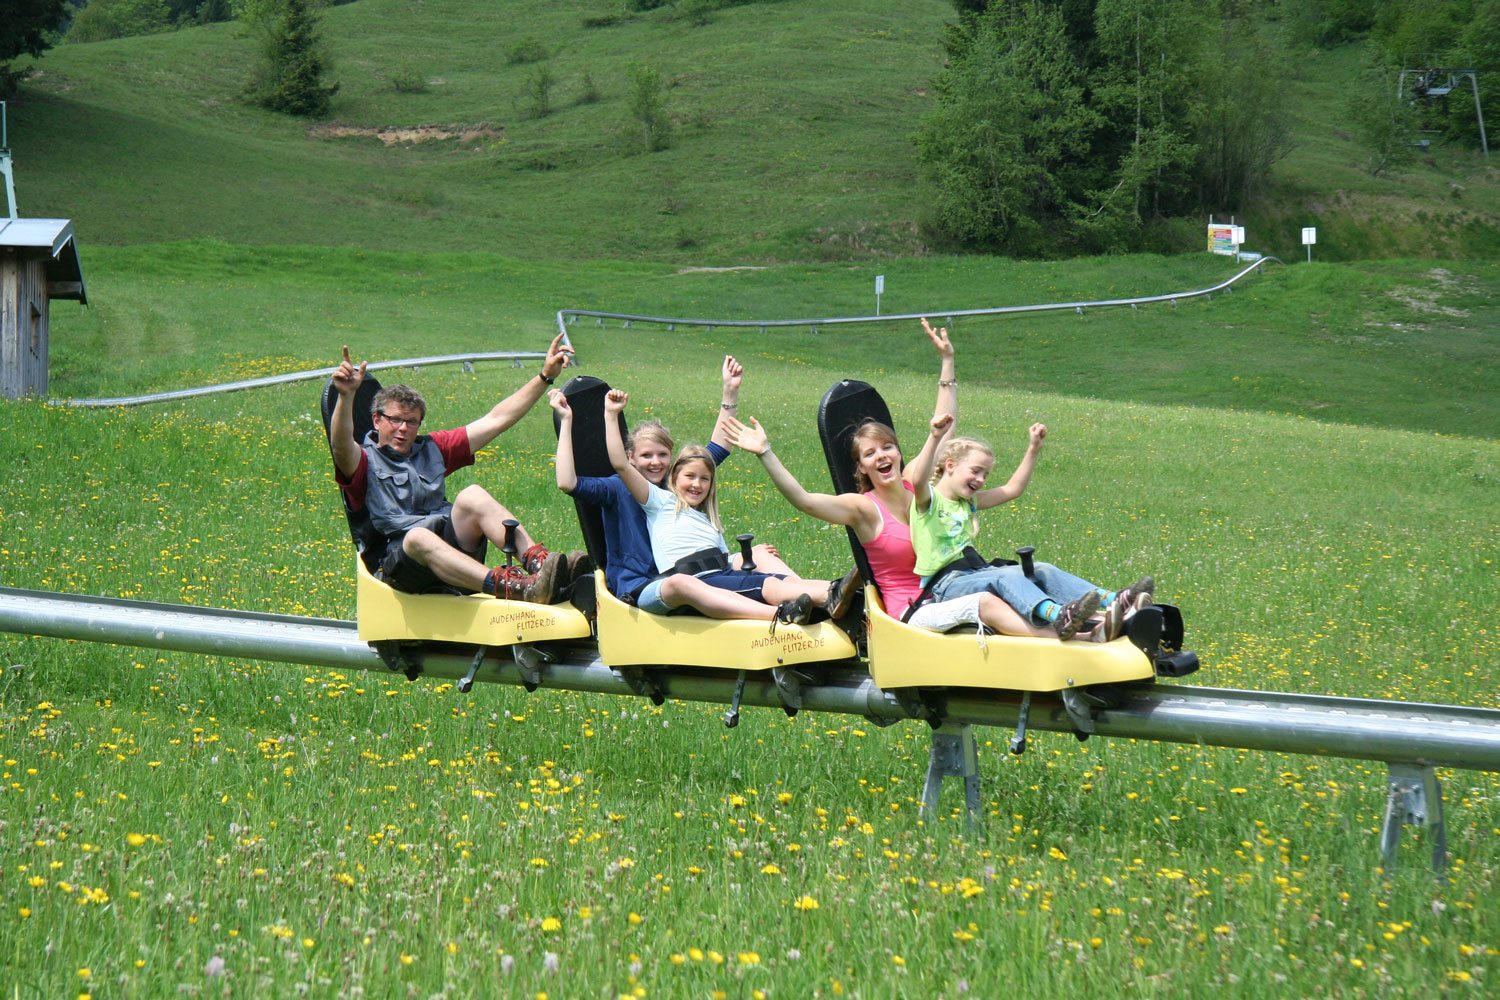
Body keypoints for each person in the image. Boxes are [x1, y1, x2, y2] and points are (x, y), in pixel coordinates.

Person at [725, 318, 1070, 643]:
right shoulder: (863, 509)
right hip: (911, 612)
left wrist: (947, 361)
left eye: (888, 447)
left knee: (1032, 573)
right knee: (987, 601)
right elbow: (804, 500)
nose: (882, 456)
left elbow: (945, 425)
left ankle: (1105, 613)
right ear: (861, 467)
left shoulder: (914, 483)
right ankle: (1070, 639)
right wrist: (765, 452)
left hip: (951, 587)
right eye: (871, 454)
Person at [550, 356, 812, 620]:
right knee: (687, 582)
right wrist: (567, 422)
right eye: (646, 456)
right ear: (631, 457)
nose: (655, 462)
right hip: (642, 583)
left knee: (759, 553)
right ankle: (779, 614)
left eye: (662, 455)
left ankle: (808, 600)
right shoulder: (617, 488)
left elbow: (717, 448)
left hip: (685, 571)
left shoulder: (677, 483)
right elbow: (567, 482)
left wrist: (730, 391)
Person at [327, 337, 583, 603]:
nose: (403, 428)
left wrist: (544, 376)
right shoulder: (363, 461)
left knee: (472, 494)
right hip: (400, 566)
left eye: (411, 422)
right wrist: (345, 397)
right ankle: (515, 588)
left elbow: (496, 420)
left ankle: (543, 568)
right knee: (417, 537)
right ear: (377, 420)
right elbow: (341, 445)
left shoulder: (432, 448)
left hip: (450, 550)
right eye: (395, 420)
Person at [602, 388, 858, 626]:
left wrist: (730, 390)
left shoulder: (702, 514)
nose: (696, 484)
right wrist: (611, 415)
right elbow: (620, 464)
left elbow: (717, 450)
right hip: (685, 580)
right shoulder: (659, 500)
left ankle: (839, 595)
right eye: (690, 477)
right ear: (675, 476)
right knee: (701, 582)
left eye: (704, 479)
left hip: (717, 570)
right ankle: (789, 613)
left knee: (770, 580)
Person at [907, 413, 1155, 642]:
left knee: (1042, 569)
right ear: (950, 465)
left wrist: (1034, 449)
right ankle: (1060, 615)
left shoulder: (968, 503)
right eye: (975, 471)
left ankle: (1115, 600)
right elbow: (917, 479)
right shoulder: (929, 500)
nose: (981, 480)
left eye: (986, 475)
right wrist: (935, 436)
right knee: (1004, 575)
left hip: (975, 574)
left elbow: (1012, 489)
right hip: (947, 585)